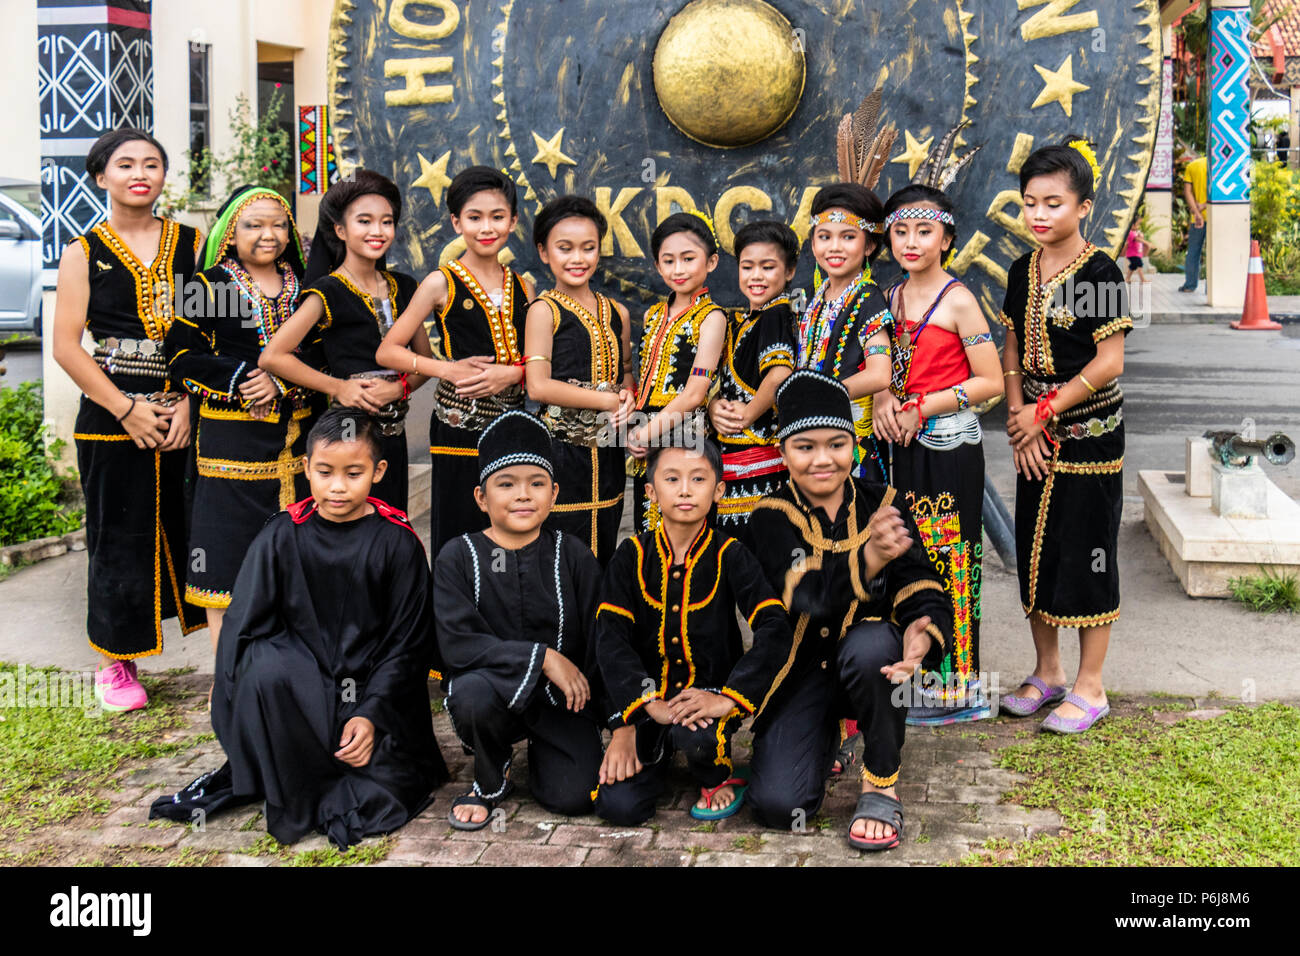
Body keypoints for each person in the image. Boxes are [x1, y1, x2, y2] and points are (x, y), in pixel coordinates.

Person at [159, 407, 450, 849]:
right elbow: (244, 627)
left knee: (376, 790)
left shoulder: (396, 542)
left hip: (370, 693)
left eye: (354, 473)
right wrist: (236, 694)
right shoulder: (281, 535)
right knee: (258, 662)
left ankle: (331, 753)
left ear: (379, 471)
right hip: (299, 694)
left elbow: (407, 646)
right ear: (306, 468)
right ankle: (283, 754)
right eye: (325, 472)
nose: (337, 487)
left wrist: (370, 714)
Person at [746, 370, 953, 851]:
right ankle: (830, 735)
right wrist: (869, 560)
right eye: (805, 447)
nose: (823, 459)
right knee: (779, 806)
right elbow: (806, 595)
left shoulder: (885, 501)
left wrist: (922, 630)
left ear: (854, 445)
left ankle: (880, 783)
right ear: (783, 452)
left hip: (867, 666)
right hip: (799, 672)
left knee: (875, 643)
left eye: (836, 444)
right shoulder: (770, 516)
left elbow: (921, 582)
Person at [51, 128, 203, 711]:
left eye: (151, 163)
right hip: (111, 416)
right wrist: (126, 409)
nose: (140, 173)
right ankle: (113, 661)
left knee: (197, 527)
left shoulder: (194, 246)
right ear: (101, 176)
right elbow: (67, 347)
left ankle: (229, 648)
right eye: (125, 164)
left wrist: (189, 399)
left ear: (164, 175)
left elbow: (210, 334)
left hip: (186, 410)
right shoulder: (83, 252)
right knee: (117, 535)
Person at [995, 139, 1131, 734]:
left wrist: (1044, 411)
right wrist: (1019, 416)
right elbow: (1009, 348)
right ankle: (1047, 671)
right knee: (1036, 550)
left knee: (1087, 553)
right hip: (1034, 431)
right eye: (1030, 202)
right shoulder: (1021, 269)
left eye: (1053, 202)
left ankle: (1091, 686)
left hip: (1088, 434)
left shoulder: (1100, 271)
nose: (1039, 214)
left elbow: (1110, 361)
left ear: (1084, 207)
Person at [592, 441, 794, 824]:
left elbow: (773, 626)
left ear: (719, 490)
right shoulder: (630, 555)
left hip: (707, 701)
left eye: (698, 479)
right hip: (647, 702)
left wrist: (728, 697)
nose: (685, 490)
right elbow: (611, 638)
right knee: (619, 807)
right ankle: (656, 750)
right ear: (651, 491)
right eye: (672, 479)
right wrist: (640, 706)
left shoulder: (730, 553)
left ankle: (717, 775)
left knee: (698, 738)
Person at [435, 411, 606, 828]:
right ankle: (491, 772)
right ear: (481, 497)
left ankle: (554, 752)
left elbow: (603, 637)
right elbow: (458, 643)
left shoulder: (574, 555)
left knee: (575, 796)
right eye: (506, 484)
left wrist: (619, 723)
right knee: (470, 693)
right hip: (492, 695)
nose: (523, 495)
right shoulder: (458, 557)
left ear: (554, 493)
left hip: (561, 700)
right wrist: (543, 657)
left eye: (537, 483)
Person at [872, 184, 1003, 725]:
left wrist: (921, 407)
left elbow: (990, 382)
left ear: (946, 238)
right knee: (910, 557)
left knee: (953, 558)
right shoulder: (888, 298)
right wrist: (882, 397)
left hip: (948, 448)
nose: (911, 242)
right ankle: (914, 673)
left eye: (924, 231)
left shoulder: (959, 301)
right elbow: (881, 368)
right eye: (900, 231)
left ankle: (960, 683)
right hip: (899, 448)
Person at [165, 185, 310, 648]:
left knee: (298, 558)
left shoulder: (308, 287)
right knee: (224, 555)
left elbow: (326, 351)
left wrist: (281, 380)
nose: (269, 234)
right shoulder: (207, 287)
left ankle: (290, 668)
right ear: (229, 233)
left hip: (299, 444)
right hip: (229, 447)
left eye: (279, 225)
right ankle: (226, 674)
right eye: (254, 225)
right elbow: (180, 356)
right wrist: (243, 380)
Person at [376, 166, 533, 556]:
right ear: (456, 222)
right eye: (474, 217)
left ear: (513, 221)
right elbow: (389, 351)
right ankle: (453, 595)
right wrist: (446, 368)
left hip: (512, 423)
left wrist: (513, 374)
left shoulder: (525, 287)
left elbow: (537, 359)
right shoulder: (440, 283)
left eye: (497, 217)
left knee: (511, 522)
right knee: (459, 524)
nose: (487, 227)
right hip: (458, 426)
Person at [259, 170, 432, 513]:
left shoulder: (405, 287)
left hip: (394, 429)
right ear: (340, 230)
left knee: (391, 516)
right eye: (364, 221)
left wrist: (399, 389)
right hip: (347, 427)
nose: (377, 231)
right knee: (352, 512)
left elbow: (424, 361)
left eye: (386, 222)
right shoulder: (328, 291)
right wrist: (338, 387)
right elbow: (273, 356)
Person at [521, 196, 635, 563]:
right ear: (544, 252)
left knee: (606, 539)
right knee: (563, 549)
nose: (578, 258)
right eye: (564, 248)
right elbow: (538, 386)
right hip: (562, 452)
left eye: (588, 247)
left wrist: (628, 396)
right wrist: (608, 400)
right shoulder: (544, 310)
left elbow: (626, 373)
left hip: (610, 452)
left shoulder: (617, 312)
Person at [625, 211, 728, 533]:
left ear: (711, 262)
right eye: (668, 261)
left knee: (684, 524)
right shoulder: (653, 315)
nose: (678, 269)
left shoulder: (712, 317)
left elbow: (695, 393)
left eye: (688, 258)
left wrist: (645, 433)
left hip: (687, 437)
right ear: (657, 266)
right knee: (648, 528)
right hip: (646, 437)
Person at [797, 183, 894, 483]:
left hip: (854, 443)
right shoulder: (817, 296)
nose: (834, 247)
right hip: (813, 431)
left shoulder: (868, 298)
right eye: (824, 236)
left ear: (869, 246)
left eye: (848, 237)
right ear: (813, 243)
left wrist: (822, 394)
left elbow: (880, 374)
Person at [708, 220, 798, 533]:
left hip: (759, 462)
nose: (756, 276)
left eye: (768, 267)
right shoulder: (746, 319)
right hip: (736, 460)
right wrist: (714, 406)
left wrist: (746, 415)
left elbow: (779, 374)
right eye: (747, 267)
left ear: (789, 271)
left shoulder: (776, 313)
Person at [1180, 152, 1207, 293]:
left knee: (1193, 252)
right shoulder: (1218, 166)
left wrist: (1196, 212)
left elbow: (1187, 192)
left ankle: (1190, 285)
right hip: (1215, 216)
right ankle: (1212, 288)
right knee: (1214, 253)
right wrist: (1205, 205)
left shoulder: (1192, 166)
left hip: (1197, 219)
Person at [1123, 219, 1150, 285]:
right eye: (1137, 225)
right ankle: (1143, 280)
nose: (1138, 226)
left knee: (1133, 266)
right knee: (1140, 265)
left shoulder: (1135, 232)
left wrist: (1141, 235)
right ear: (1132, 225)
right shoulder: (1130, 233)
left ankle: (1127, 278)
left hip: (1136, 254)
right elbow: (1137, 239)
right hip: (1133, 254)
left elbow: (1140, 238)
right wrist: (1147, 243)